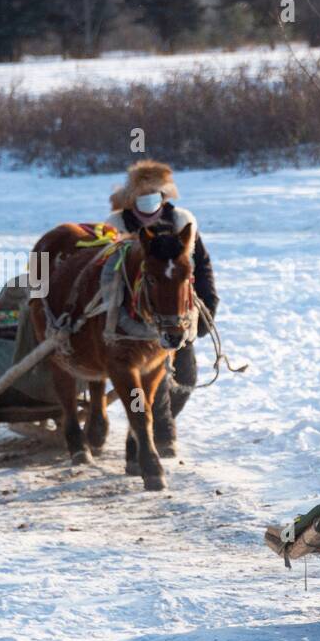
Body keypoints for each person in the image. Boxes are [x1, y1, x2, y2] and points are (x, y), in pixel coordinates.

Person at [104, 160, 218, 456]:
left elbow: (201, 265)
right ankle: (158, 432)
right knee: (156, 374)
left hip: (177, 313)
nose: (150, 203)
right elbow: (106, 273)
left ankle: (149, 426)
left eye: (156, 196)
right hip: (133, 319)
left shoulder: (181, 221)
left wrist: (209, 303)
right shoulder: (117, 226)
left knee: (186, 377)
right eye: (143, 197)